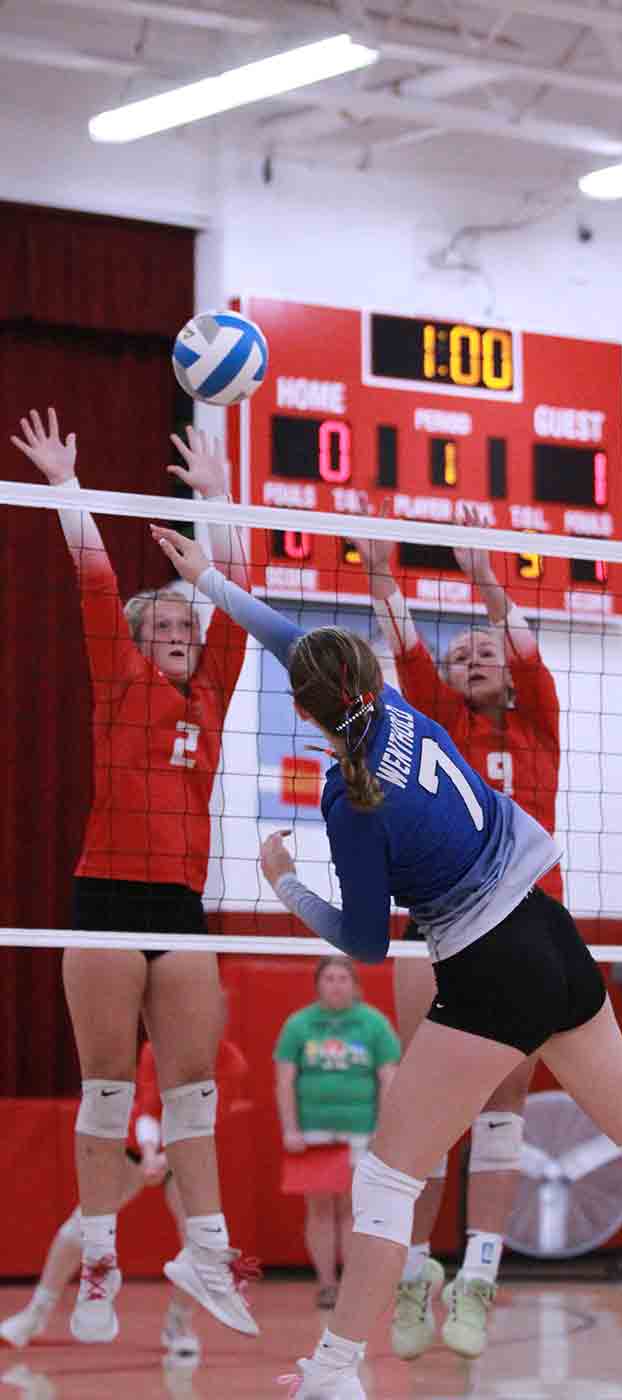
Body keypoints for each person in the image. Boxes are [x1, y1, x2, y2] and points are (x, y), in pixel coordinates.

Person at [151, 523, 622, 1400]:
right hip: (553, 932)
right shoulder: (404, 714)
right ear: (369, 682)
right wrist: (216, 587)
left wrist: (284, 886)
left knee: (384, 1176)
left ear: (304, 714)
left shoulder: (349, 800)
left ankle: (334, 1375)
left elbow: (369, 942)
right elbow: (298, 646)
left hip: (487, 969)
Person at [10, 410, 257, 1344]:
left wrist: (215, 493)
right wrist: (69, 491)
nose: (182, 628)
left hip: (180, 905)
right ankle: (102, 1257)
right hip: (107, 895)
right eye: (164, 622)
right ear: (137, 639)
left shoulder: (215, 689)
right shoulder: (120, 679)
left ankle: (205, 1245)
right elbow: (95, 581)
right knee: (110, 1087)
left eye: (186, 620)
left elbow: (233, 593)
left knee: (190, 1087)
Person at [353, 507, 561, 1358]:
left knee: (503, 1106)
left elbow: (521, 643)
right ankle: (414, 1271)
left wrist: (482, 572)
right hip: (438, 922)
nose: (472, 658)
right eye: (458, 653)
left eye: (484, 653)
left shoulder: (538, 721)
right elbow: (400, 646)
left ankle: (477, 1275)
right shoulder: (436, 726)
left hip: (523, 925)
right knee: (421, 1101)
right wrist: (377, 568)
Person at [0, 1034, 249, 1358]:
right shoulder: (155, 1049)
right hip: (140, 1147)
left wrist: (166, 1159)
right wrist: (148, 1154)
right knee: (84, 1222)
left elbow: (206, 1123)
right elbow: (147, 1104)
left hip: (188, 1153)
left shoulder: (230, 1062)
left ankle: (178, 1324)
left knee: (200, 1242)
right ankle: (35, 1315)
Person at [275, 957, 400, 1310]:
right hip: (314, 1132)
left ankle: (351, 1284)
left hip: (360, 1132)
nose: (336, 984)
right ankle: (327, 1284)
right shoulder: (299, 1025)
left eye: (343, 977)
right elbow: (284, 1080)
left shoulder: (374, 1024)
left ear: (356, 984)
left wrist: (385, 1130)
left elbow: (388, 1079)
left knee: (352, 1207)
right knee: (318, 1208)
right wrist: (290, 1128)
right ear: (318, 984)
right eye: (329, 978)